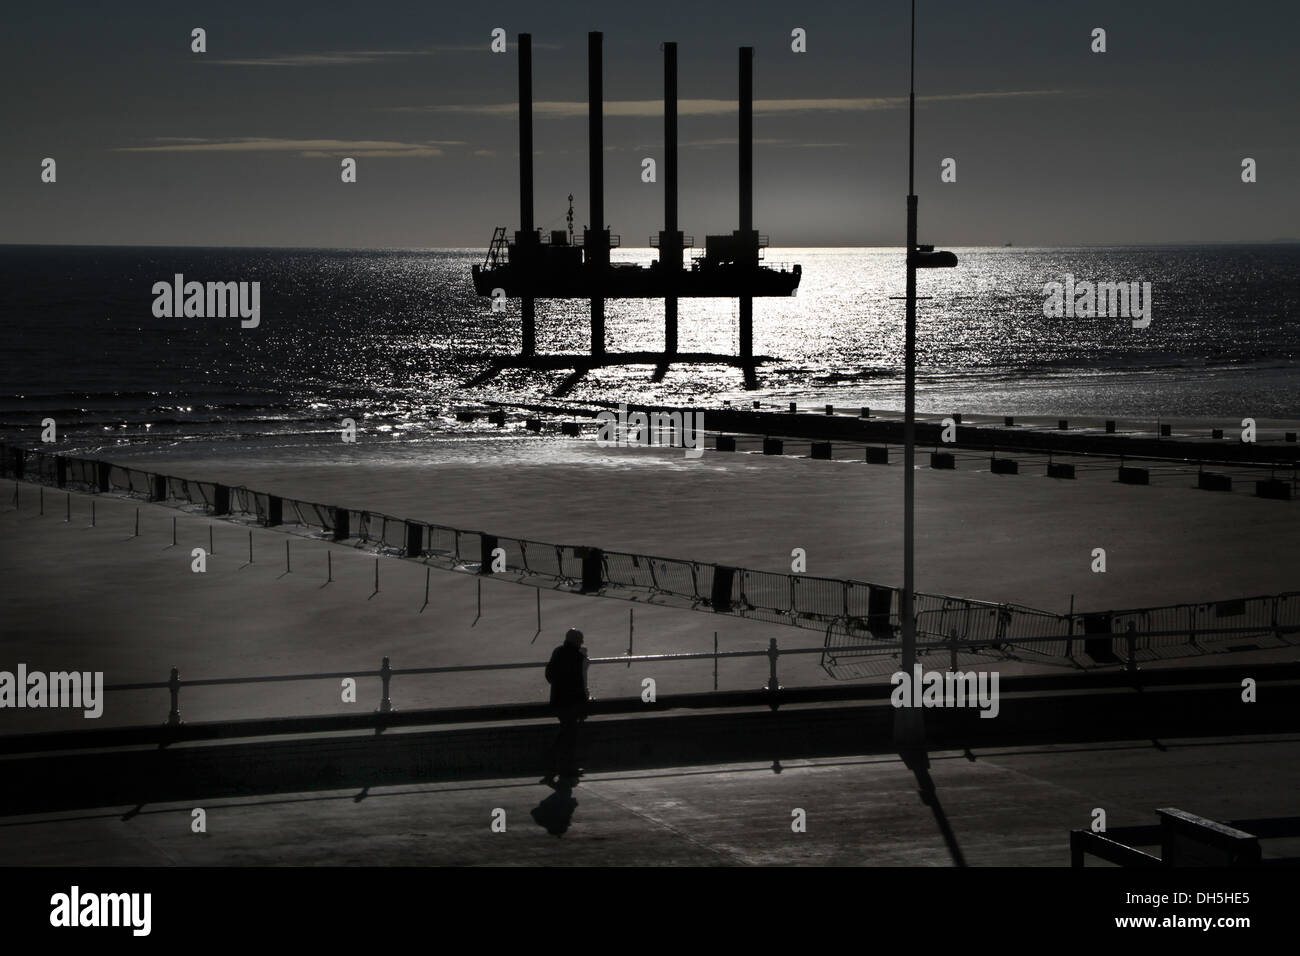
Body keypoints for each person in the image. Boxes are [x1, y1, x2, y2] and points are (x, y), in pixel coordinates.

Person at [543, 627, 589, 785]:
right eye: (580, 639)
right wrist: (584, 704)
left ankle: (555, 765)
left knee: (565, 732)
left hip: (558, 700)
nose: (582, 642)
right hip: (571, 703)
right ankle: (564, 766)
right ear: (575, 641)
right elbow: (579, 683)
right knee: (569, 735)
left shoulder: (558, 652)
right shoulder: (577, 657)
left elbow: (549, 674)